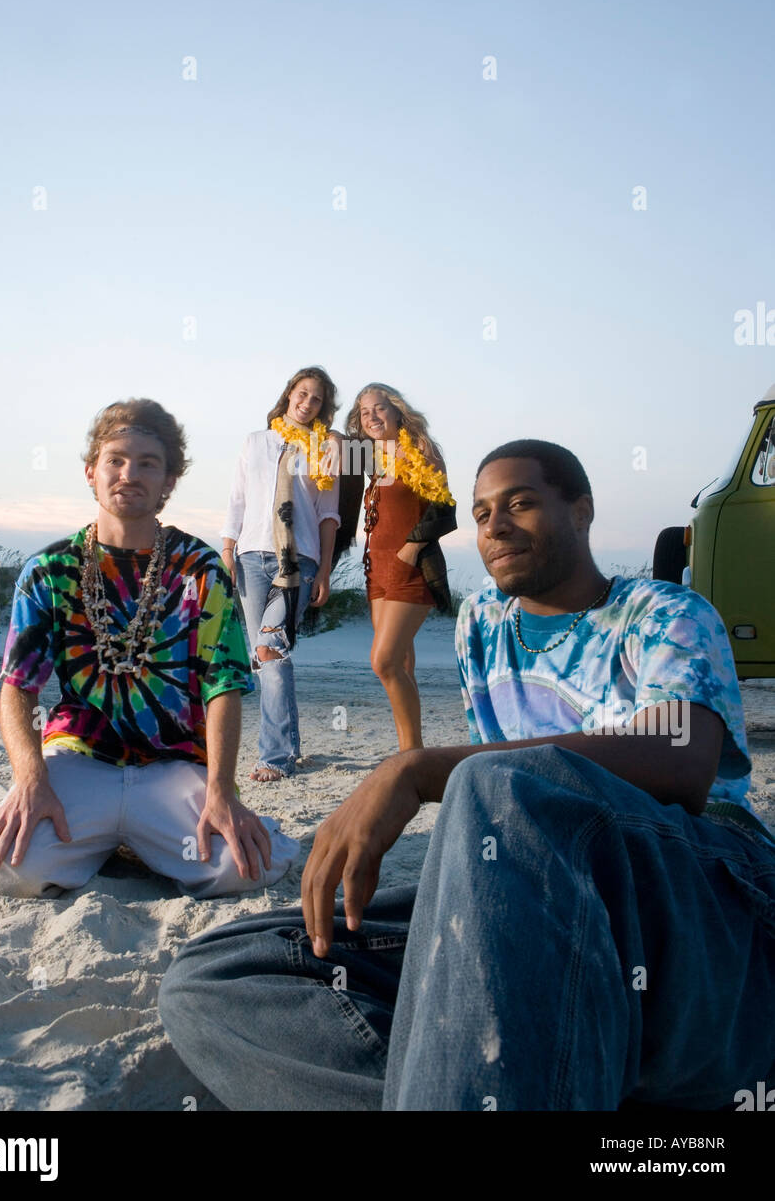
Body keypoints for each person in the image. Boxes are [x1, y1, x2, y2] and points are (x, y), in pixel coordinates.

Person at [158, 439, 775, 1111]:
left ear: (581, 512)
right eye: (481, 515)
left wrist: (420, 769)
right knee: (218, 975)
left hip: (697, 900)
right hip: (545, 911)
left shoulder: (662, 612)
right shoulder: (482, 624)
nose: (496, 526)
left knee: (496, 788)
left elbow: (681, 762)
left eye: (522, 504)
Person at [0, 399, 298, 899]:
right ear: (91, 471)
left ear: (169, 481)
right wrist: (30, 779)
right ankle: (109, 838)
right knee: (10, 874)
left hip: (175, 765)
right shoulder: (50, 570)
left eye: (147, 463)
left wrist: (220, 789)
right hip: (80, 757)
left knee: (241, 870)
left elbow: (223, 686)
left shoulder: (201, 569)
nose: (128, 473)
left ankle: (129, 837)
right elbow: (18, 689)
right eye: (116, 460)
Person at [222, 367, 341, 781]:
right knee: (265, 656)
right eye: (303, 393)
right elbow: (238, 499)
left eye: (317, 400)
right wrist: (227, 547)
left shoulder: (327, 447)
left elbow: (328, 515)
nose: (307, 403)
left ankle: (274, 757)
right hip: (251, 554)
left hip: (298, 557)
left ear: (324, 408)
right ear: (289, 393)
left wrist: (325, 569)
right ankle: (287, 748)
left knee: (272, 649)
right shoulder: (256, 442)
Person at [346, 383, 456, 751]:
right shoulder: (370, 456)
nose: (372, 417)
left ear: (396, 411)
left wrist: (412, 548)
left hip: (410, 567)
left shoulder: (420, 451)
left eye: (379, 409)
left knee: (384, 661)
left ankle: (413, 754)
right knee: (402, 665)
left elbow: (445, 508)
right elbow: (323, 451)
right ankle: (408, 747)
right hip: (375, 568)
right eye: (364, 413)